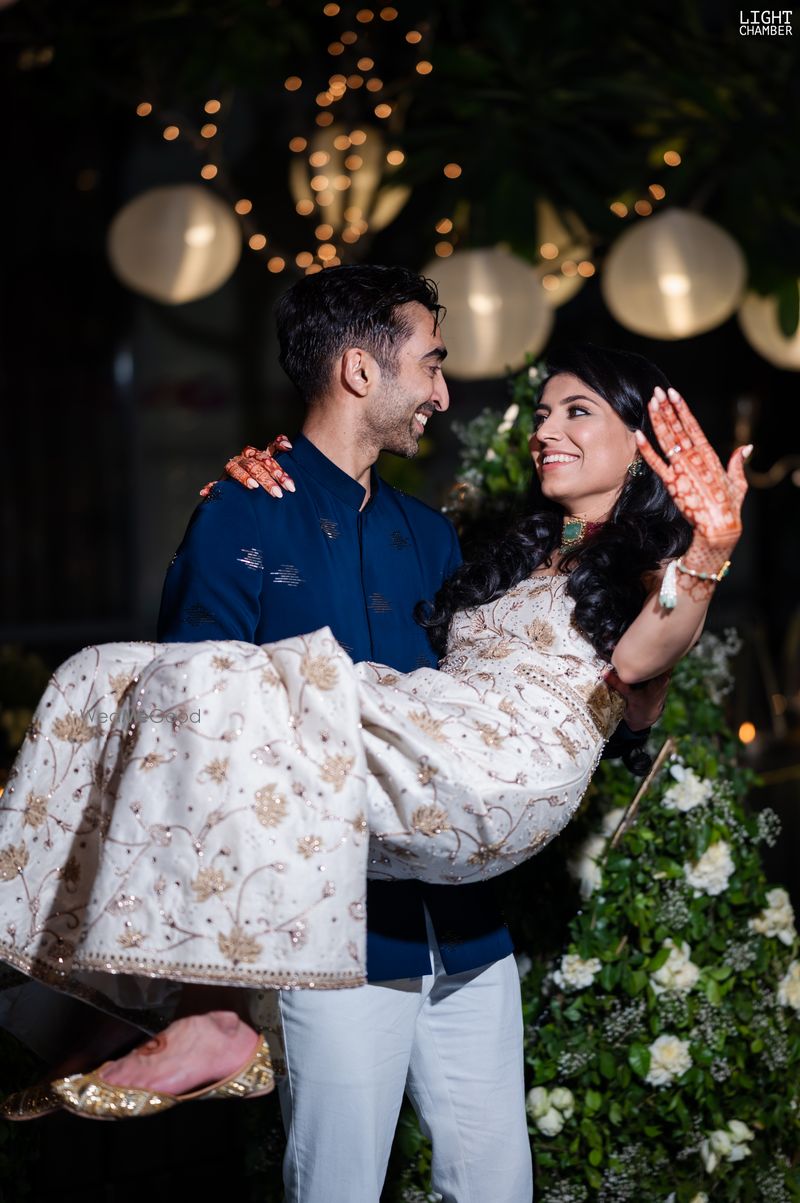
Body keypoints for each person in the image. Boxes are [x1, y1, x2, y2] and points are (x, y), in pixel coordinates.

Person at [0, 296, 744, 1181]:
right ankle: (178, 1009)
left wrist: (699, 566)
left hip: (468, 924)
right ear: (361, 369)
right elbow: (195, 744)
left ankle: (175, 1014)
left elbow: (618, 666)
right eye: (432, 362)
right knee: (338, 1181)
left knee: (494, 1180)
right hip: (342, 930)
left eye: (571, 410)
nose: (443, 387)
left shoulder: (433, 537)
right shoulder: (247, 510)